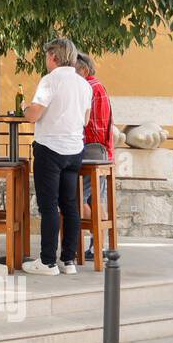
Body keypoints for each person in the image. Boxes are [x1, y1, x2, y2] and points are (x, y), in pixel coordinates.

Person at [22, 38, 92, 276]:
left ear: (53, 56)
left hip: (50, 148)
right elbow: (86, 120)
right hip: (74, 150)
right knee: (70, 205)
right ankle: (68, 260)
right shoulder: (85, 85)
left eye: (46, 56)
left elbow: (33, 115)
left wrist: (24, 108)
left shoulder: (49, 81)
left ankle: (47, 261)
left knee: (49, 206)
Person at [76, 52, 114, 257]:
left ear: (83, 70)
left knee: (77, 197)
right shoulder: (98, 86)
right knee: (94, 199)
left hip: (91, 147)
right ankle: (99, 245)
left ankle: (96, 243)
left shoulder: (88, 88)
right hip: (100, 149)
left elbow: (84, 120)